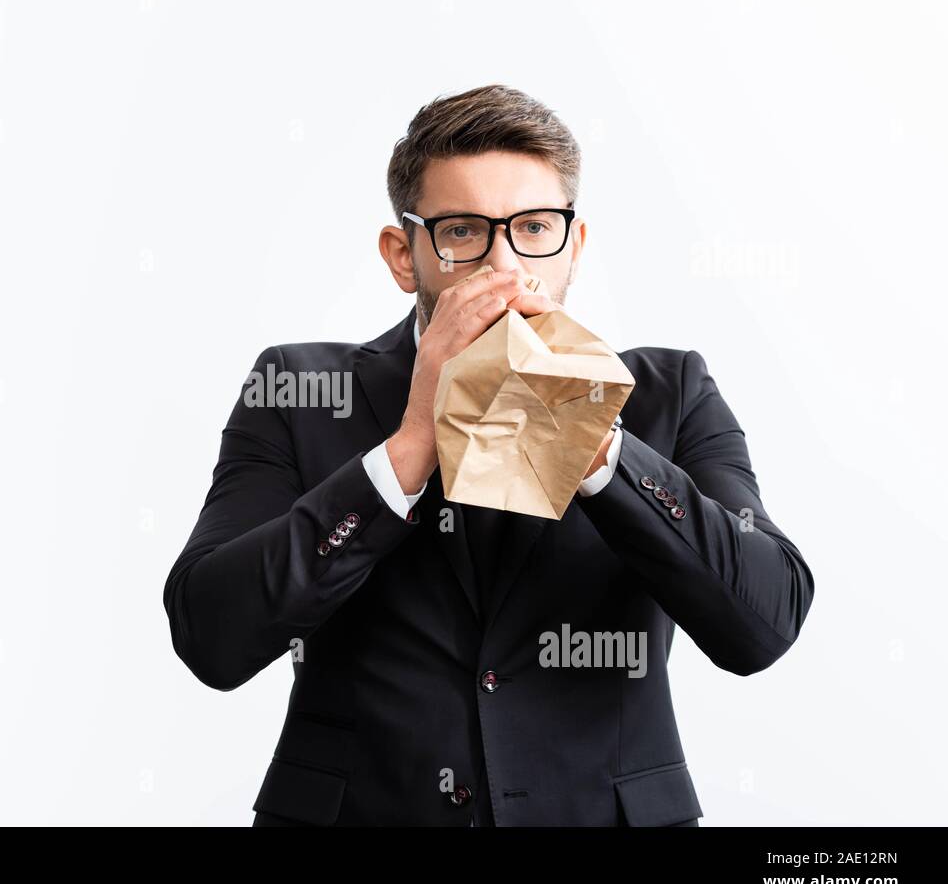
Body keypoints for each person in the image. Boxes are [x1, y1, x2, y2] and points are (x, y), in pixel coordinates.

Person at [163, 84, 814, 826]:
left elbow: (765, 620)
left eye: (536, 226)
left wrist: (598, 447)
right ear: (403, 255)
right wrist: (406, 449)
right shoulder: (301, 389)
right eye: (465, 231)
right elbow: (209, 634)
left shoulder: (670, 393)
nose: (504, 262)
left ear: (575, 246)